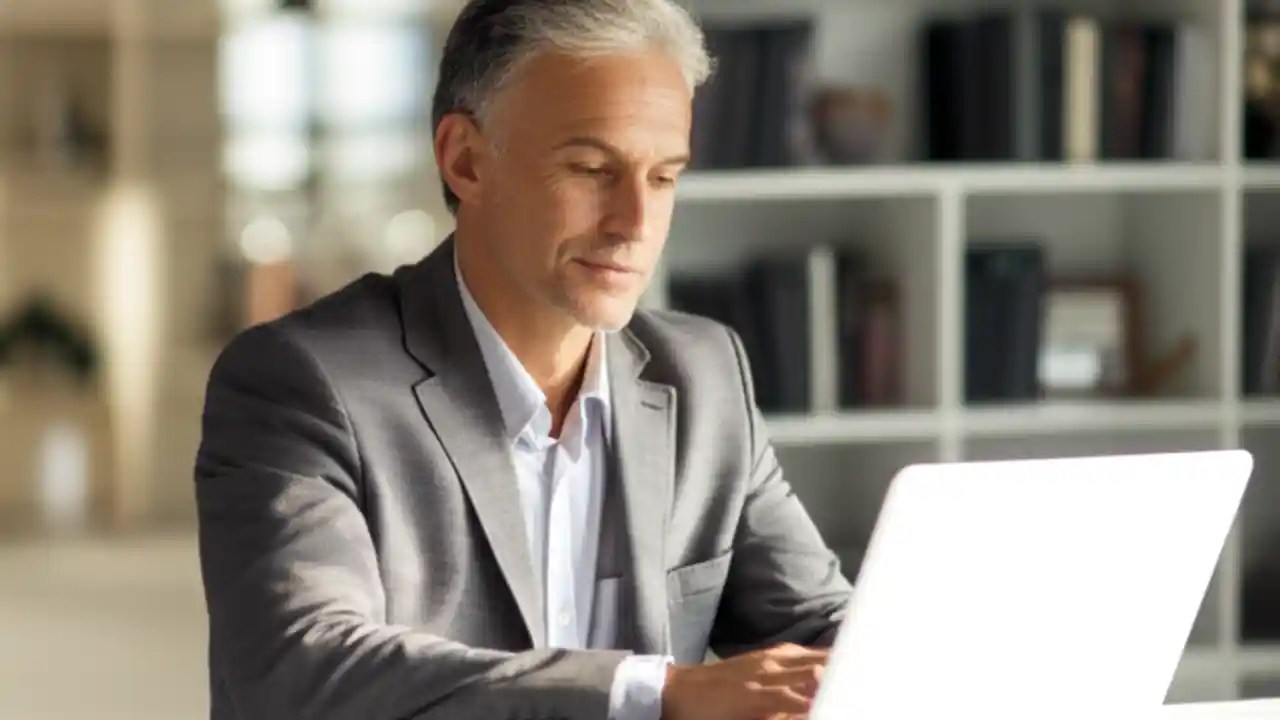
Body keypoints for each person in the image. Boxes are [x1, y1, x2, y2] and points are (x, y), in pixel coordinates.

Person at [195, 1, 853, 718]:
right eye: (593, 168)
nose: (635, 222)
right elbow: (307, 668)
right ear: (466, 160)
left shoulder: (703, 375)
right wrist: (657, 694)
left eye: (663, 178)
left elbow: (829, 631)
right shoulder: (300, 383)